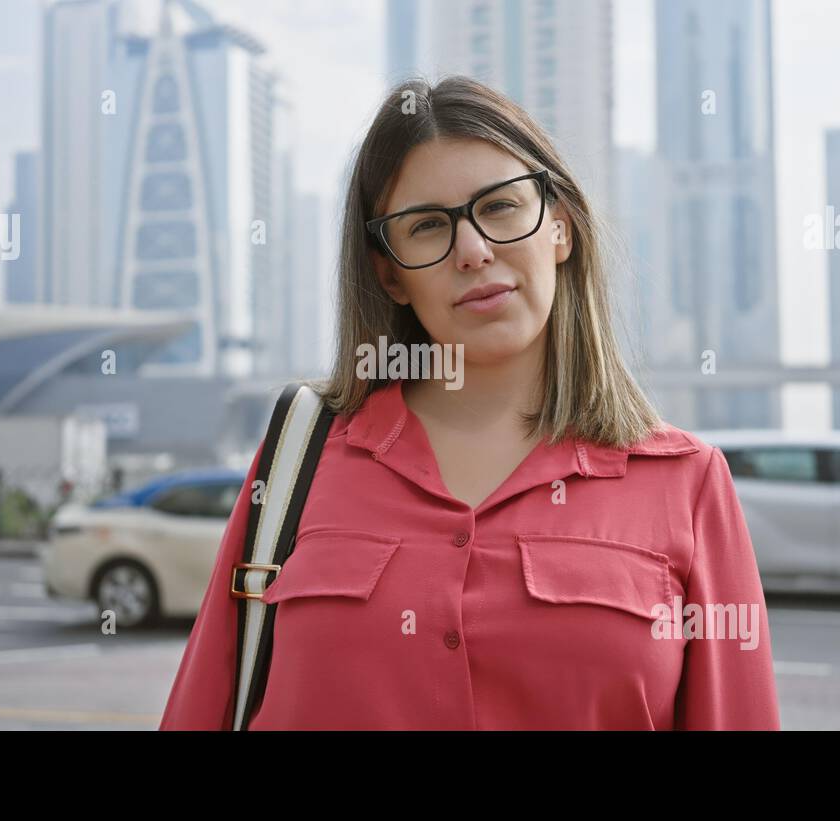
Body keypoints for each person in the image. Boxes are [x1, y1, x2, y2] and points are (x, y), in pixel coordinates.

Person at [159, 75, 780, 730]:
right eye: (428, 226)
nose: (474, 251)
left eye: (501, 207)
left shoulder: (686, 483)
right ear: (389, 272)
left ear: (561, 227)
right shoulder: (298, 457)